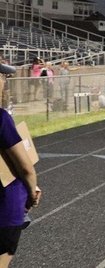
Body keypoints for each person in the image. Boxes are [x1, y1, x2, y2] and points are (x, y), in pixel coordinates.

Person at [0, 63, 41, 267]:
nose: (4, 82)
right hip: (5, 208)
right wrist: (32, 192)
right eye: (2, 76)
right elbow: (26, 167)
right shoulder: (1, 119)